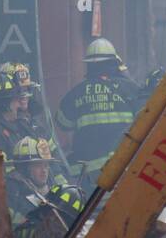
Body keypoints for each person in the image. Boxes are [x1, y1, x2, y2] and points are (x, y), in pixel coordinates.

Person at [56, 38, 140, 187]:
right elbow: (147, 118)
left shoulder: (76, 93)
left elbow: (63, 123)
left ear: (88, 65)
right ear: (114, 63)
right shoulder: (130, 89)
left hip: (88, 171)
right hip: (123, 165)